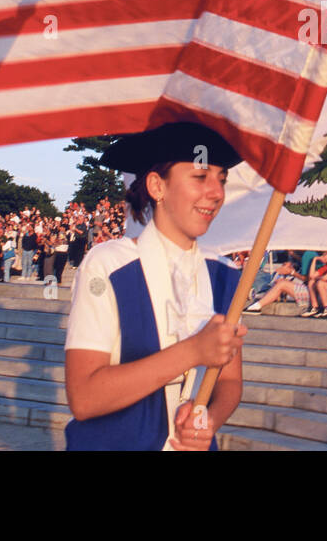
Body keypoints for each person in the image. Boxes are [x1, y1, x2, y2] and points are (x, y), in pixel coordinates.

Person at [64, 122, 246, 452]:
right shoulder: (108, 266)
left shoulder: (226, 274)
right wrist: (192, 351)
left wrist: (206, 421)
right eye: (200, 176)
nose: (217, 192)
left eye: (221, 179)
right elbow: (84, 398)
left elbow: (229, 381)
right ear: (156, 186)